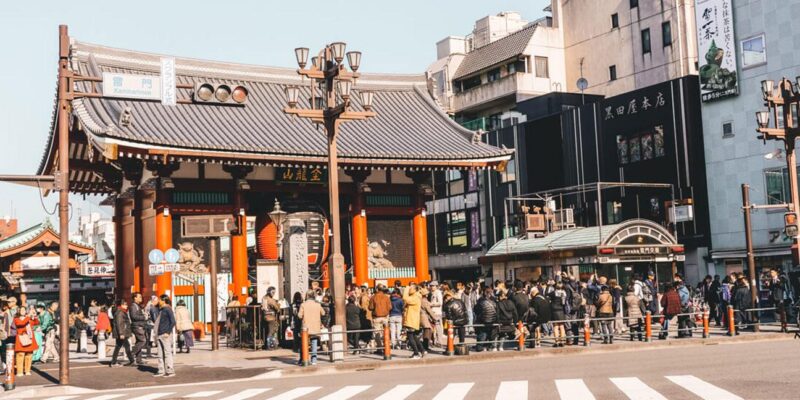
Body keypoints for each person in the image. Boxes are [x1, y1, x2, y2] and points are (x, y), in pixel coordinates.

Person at [298, 291, 325, 365]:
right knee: (314, 343)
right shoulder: (318, 304)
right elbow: (323, 313)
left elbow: (299, 316)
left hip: (305, 328)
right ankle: (314, 360)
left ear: (307, 296)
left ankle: (304, 359)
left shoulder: (303, 304)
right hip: (316, 327)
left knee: (304, 344)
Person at [154, 295, 176, 377]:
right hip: (160, 334)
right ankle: (161, 370)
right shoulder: (162, 310)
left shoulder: (168, 309)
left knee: (167, 353)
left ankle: (170, 370)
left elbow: (173, 322)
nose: (158, 301)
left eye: (160, 299)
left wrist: (168, 332)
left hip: (165, 334)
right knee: (160, 354)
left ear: (164, 301)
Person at [13, 306, 39, 377]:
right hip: (21, 339)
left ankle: (27, 370)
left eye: (24, 310)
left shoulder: (29, 318)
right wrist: (28, 316)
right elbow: (21, 323)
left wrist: (34, 315)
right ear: (18, 311)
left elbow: (36, 323)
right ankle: (19, 371)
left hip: (30, 338)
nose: (23, 311)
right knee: (20, 355)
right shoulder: (16, 319)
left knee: (29, 355)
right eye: (21, 310)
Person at [109, 300, 135, 367]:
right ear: (122, 305)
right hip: (122, 333)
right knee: (127, 346)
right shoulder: (120, 312)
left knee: (118, 346)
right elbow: (119, 323)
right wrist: (121, 333)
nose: (127, 306)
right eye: (125, 304)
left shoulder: (120, 311)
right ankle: (131, 361)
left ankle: (114, 362)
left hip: (122, 332)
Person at [401, 284, 424, 359]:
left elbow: (405, 298)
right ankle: (422, 350)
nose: (409, 290)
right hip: (411, 319)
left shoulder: (415, 297)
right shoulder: (415, 296)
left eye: (411, 288)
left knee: (410, 337)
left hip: (412, 320)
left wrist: (406, 289)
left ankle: (416, 353)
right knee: (414, 336)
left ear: (415, 289)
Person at [473, 287, 498, 352]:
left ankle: (481, 346)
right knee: (490, 334)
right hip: (493, 320)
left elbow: (476, 310)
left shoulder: (481, 300)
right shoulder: (494, 300)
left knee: (482, 333)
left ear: (484, 292)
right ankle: (490, 346)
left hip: (483, 320)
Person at [765, 268, 789, 333]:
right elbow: (771, 289)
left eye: (772, 272)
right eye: (771, 272)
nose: (771, 274)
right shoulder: (771, 280)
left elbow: (782, 287)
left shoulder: (781, 278)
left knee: (783, 313)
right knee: (778, 312)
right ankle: (782, 326)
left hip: (780, 297)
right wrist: (768, 285)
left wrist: (778, 282)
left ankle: (785, 327)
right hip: (774, 298)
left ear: (776, 273)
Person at [368, 285, 391, 353]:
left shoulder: (373, 297)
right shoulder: (386, 297)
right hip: (385, 317)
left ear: (377, 289)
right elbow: (390, 307)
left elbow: (370, 307)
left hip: (377, 317)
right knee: (385, 333)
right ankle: (386, 347)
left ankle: (379, 348)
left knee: (377, 333)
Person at [129, 292, 147, 365]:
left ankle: (139, 359)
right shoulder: (133, 306)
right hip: (137, 326)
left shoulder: (137, 306)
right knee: (143, 341)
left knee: (139, 341)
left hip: (139, 325)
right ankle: (131, 353)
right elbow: (133, 316)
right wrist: (144, 317)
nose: (141, 298)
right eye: (139, 297)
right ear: (135, 298)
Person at [549, 282, 568, 347]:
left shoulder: (553, 293)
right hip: (561, 310)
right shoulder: (564, 293)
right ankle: (562, 342)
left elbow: (547, 294)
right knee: (562, 326)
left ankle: (556, 342)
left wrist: (550, 285)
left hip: (554, 310)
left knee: (555, 326)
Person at [419, 288, 436, 354]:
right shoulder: (424, 301)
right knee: (427, 331)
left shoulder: (422, 300)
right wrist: (435, 318)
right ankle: (425, 347)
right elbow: (429, 310)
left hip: (423, 317)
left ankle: (426, 346)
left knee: (428, 331)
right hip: (424, 317)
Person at [428, 281, 444, 347]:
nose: (431, 287)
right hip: (432, 312)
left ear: (436, 286)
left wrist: (431, 304)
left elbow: (440, 303)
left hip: (437, 312)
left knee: (438, 327)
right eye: (431, 286)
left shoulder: (438, 293)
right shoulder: (431, 293)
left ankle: (439, 342)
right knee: (432, 327)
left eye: (433, 286)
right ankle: (433, 341)